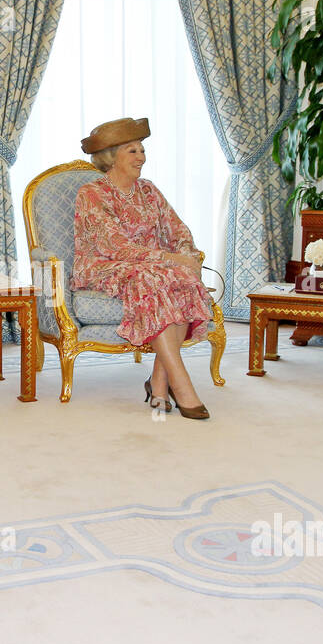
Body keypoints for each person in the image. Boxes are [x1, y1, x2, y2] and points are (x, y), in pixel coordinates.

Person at [72, 117, 214, 419]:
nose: (141, 157)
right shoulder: (91, 193)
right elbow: (117, 247)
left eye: (142, 150)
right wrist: (173, 260)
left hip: (150, 264)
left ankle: (159, 384)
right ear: (111, 157)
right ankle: (182, 384)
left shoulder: (149, 190)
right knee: (153, 278)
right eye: (132, 151)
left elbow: (178, 230)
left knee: (179, 277)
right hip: (104, 265)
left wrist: (187, 256)